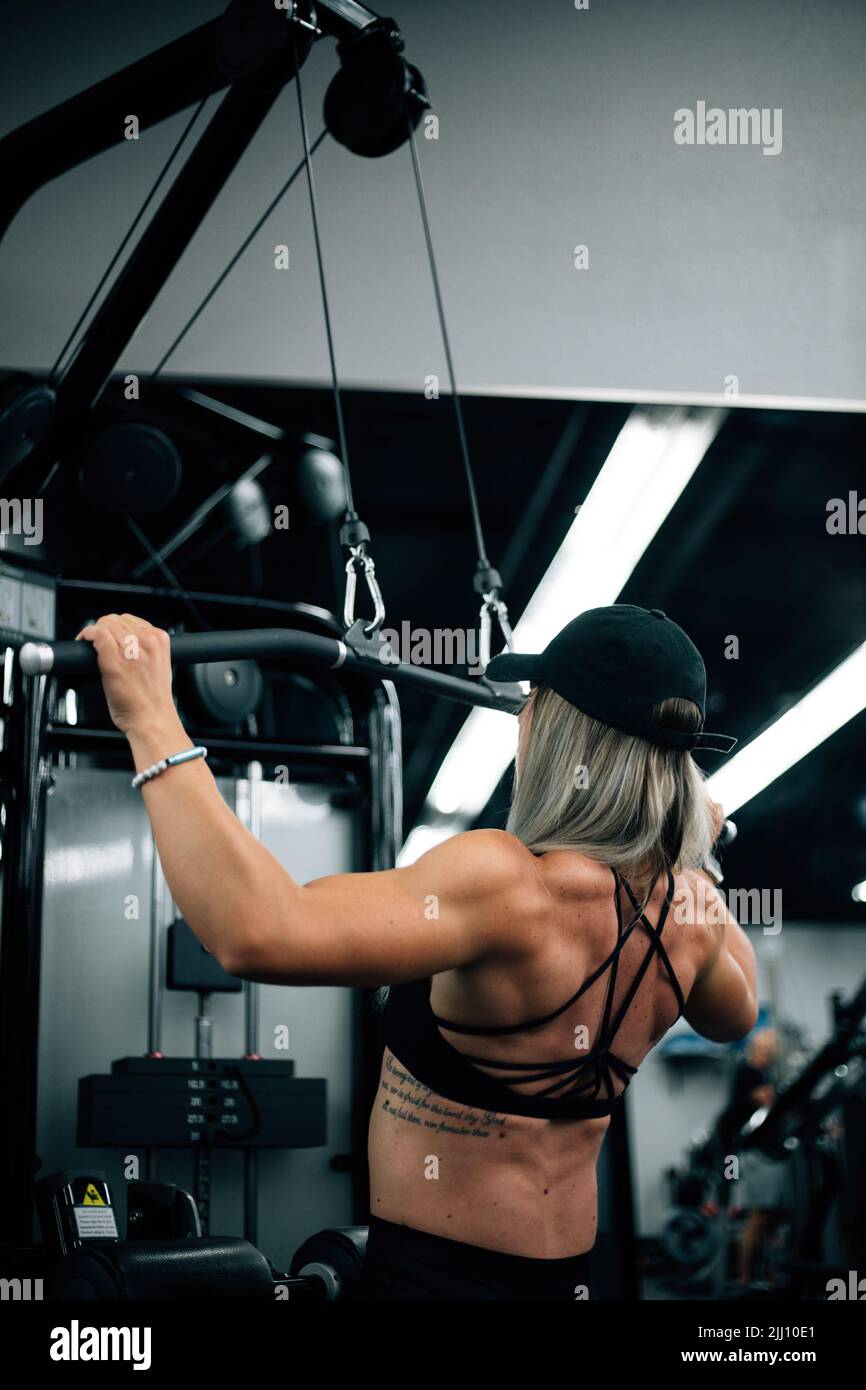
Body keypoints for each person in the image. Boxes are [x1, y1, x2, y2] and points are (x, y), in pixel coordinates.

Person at [79, 603, 758, 1301]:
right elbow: (738, 1016)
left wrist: (151, 717)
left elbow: (258, 930)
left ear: (556, 733)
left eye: (534, 706)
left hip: (434, 1283)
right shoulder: (692, 912)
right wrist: (694, 857)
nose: (522, 719)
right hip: (569, 1283)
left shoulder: (508, 881)